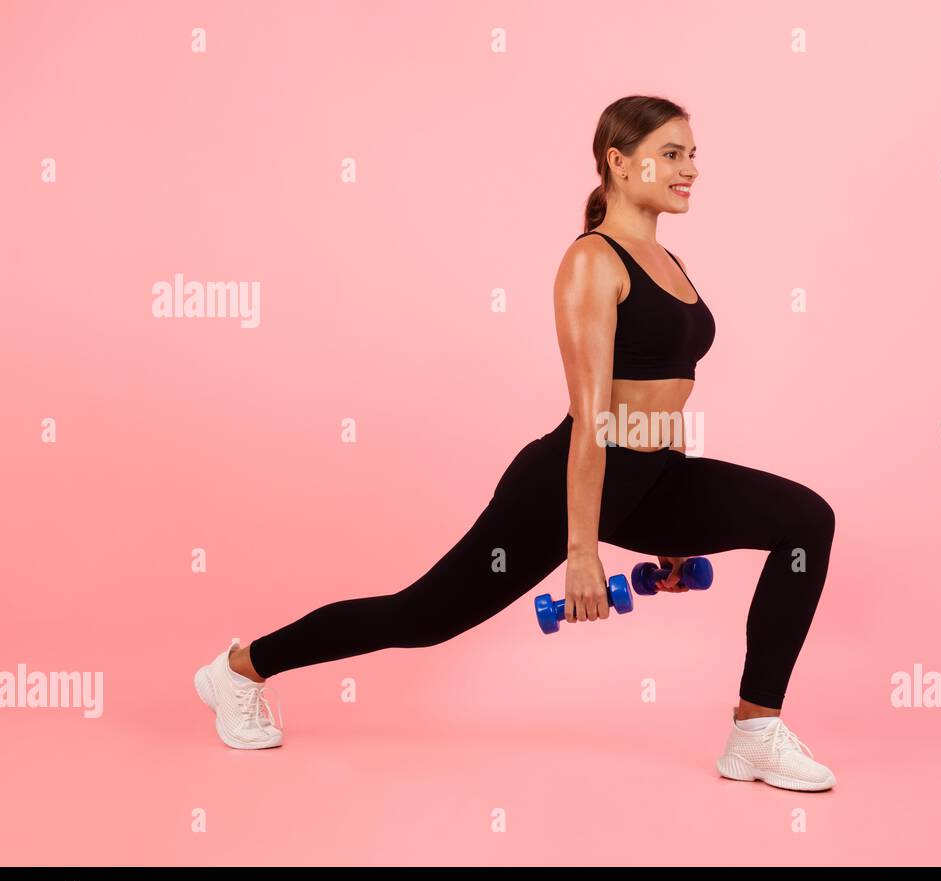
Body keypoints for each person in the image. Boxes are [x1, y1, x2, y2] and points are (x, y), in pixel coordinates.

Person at [193, 94, 838, 791]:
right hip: (566, 482)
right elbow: (592, 418)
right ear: (619, 163)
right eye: (673, 154)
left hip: (651, 473)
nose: (691, 170)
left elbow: (668, 395)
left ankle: (754, 731)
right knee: (422, 617)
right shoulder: (595, 261)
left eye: (693, 155)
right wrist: (582, 550)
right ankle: (239, 669)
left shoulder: (668, 259)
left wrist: (674, 526)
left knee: (806, 521)